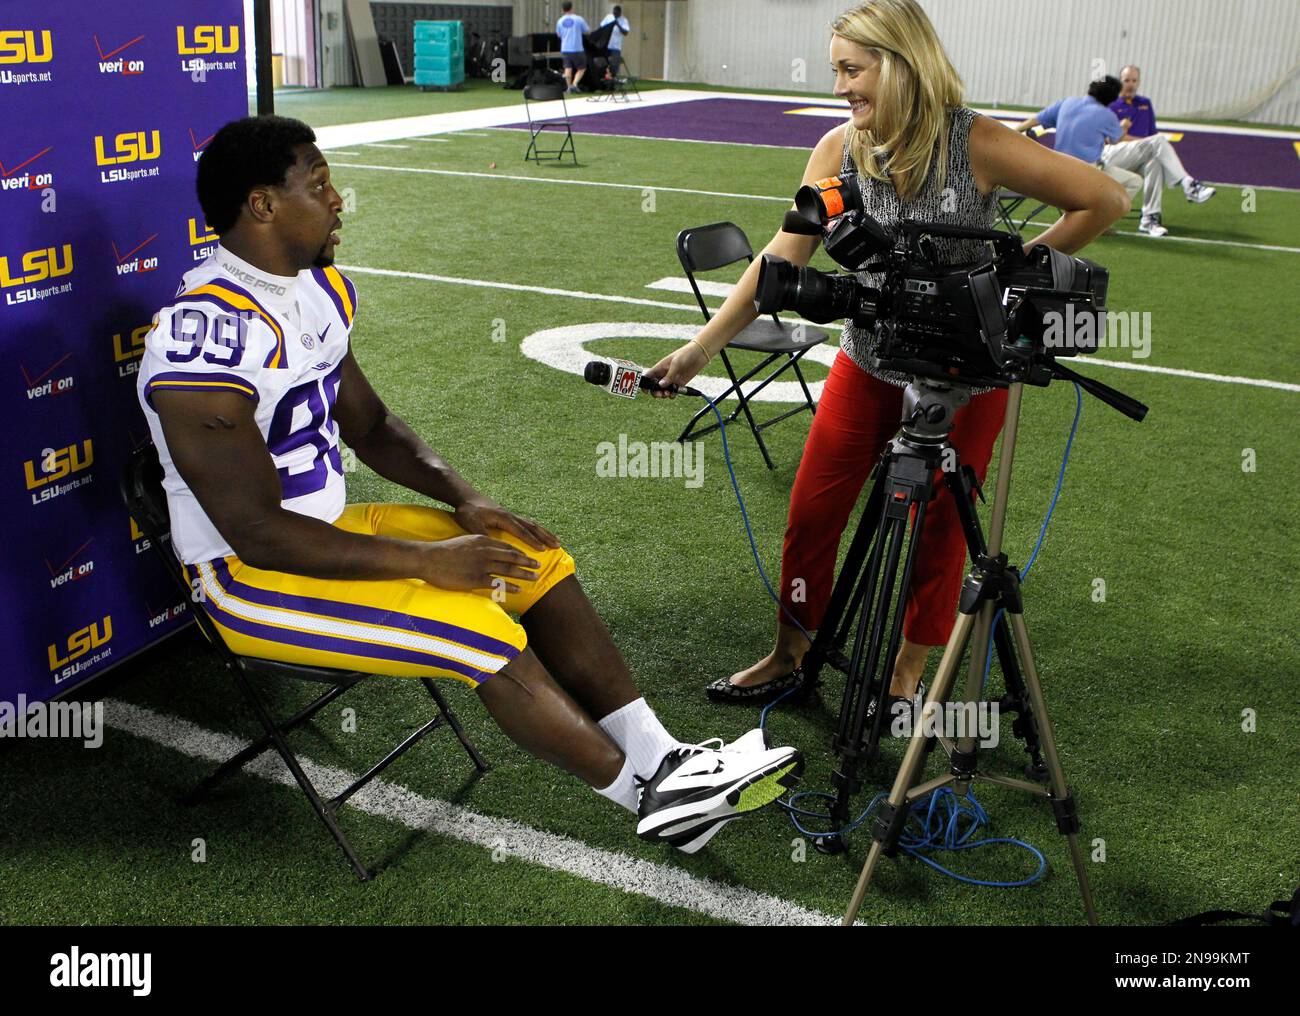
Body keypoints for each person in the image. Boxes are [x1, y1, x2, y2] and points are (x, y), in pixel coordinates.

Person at [135, 115, 802, 855]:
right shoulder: (203, 335)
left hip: (331, 535)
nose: (338, 200)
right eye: (318, 185)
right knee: (476, 627)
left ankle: (666, 759)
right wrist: (427, 562)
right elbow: (256, 530)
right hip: (247, 577)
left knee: (530, 558)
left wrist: (465, 500)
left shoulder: (314, 291)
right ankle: (647, 799)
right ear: (262, 205)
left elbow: (374, 426)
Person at [647, 0, 1128, 711]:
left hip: (965, 378)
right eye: (836, 69)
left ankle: (904, 674)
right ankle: (790, 652)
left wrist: (1009, 274)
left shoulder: (977, 143)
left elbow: (1104, 200)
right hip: (868, 361)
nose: (839, 86)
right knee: (813, 512)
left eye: (852, 69)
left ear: (900, 65)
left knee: (941, 529)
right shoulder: (839, 149)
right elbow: (783, 257)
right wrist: (700, 347)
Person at [1101, 64, 1217, 237]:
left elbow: (1151, 135)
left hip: (1140, 155)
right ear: (1120, 82)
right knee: (1157, 142)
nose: (1131, 84)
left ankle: (1149, 220)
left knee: (1154, 162)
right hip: (1115, 156)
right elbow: (1114, 139)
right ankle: (1188, 184)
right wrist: (1147, 143)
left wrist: (1148, 143)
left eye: (1134, 80)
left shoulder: (1145, 104)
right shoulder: (1111, 106)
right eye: (1127, 80)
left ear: (1139, 82)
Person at [556, 1, 590, 94]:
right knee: (582, 68)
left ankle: (568, 88)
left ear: (563, 9)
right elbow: (587, 30)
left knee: (568, 68)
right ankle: (574, 84)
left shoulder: (560, 21)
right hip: (577, 48)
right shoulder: (579, 19)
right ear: (571, 8)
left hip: (565, 48)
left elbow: (558, 35)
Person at [600, 5, 631, 78]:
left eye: (617, 14)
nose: (615, 15)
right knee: (605, 63)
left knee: (614, 64)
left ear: (620, 13)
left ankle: (613, 79)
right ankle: (605, 79)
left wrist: (618, 24)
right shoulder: (608, 17)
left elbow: (625, 32)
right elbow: (602, 27)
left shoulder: (624, 20)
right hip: (607, 44)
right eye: (614, 14)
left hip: (616, 46)